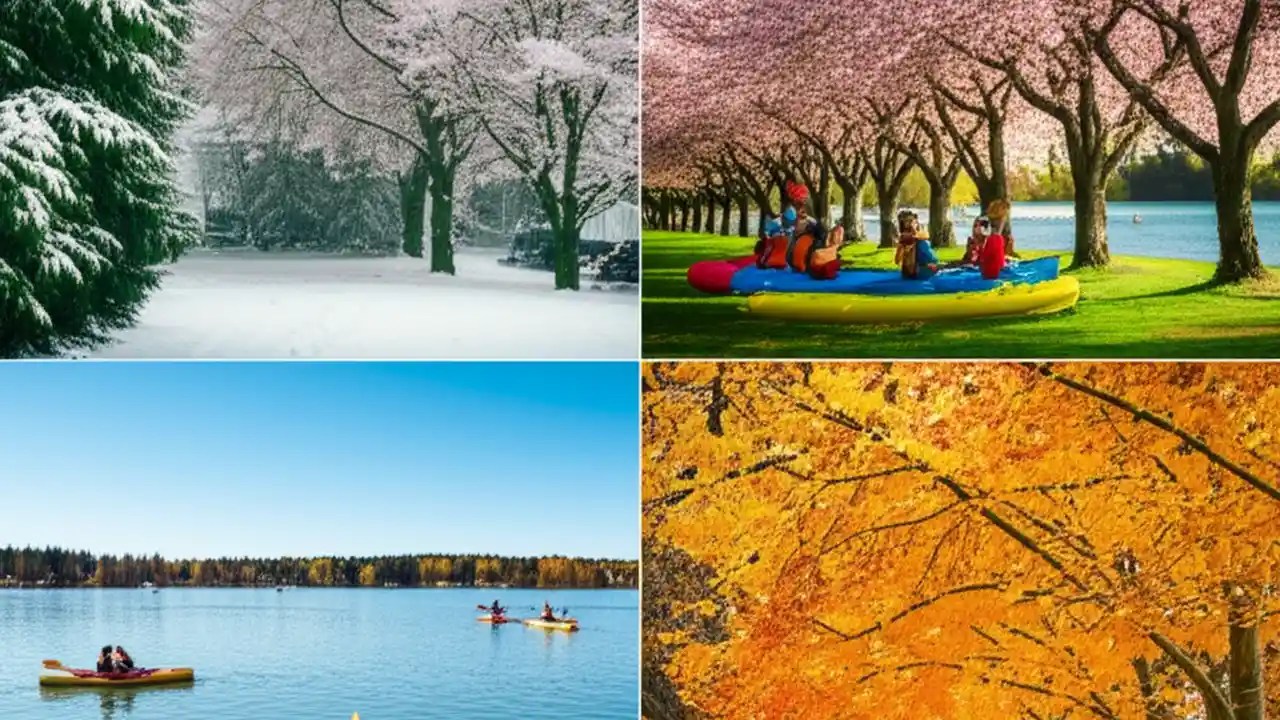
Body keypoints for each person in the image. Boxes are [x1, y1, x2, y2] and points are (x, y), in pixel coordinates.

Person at [895, 210, 938, 279]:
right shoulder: (904, 237)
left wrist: (914, 230)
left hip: (926, 266)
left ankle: (931, 265)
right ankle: (930, 267)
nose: (910, 223)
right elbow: (897, 260)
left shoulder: (921, 234)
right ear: (903, 223)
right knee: (922, 243)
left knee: (923, 243)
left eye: (911, 220)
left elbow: (926, 236)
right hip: (913, 271)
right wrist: (906, 251)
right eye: (907, 221)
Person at [979, 199, 1011, 280]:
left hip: (987, 273)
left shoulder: (991, 237)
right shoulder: (996, 239)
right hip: (994, 275)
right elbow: (998, 265)